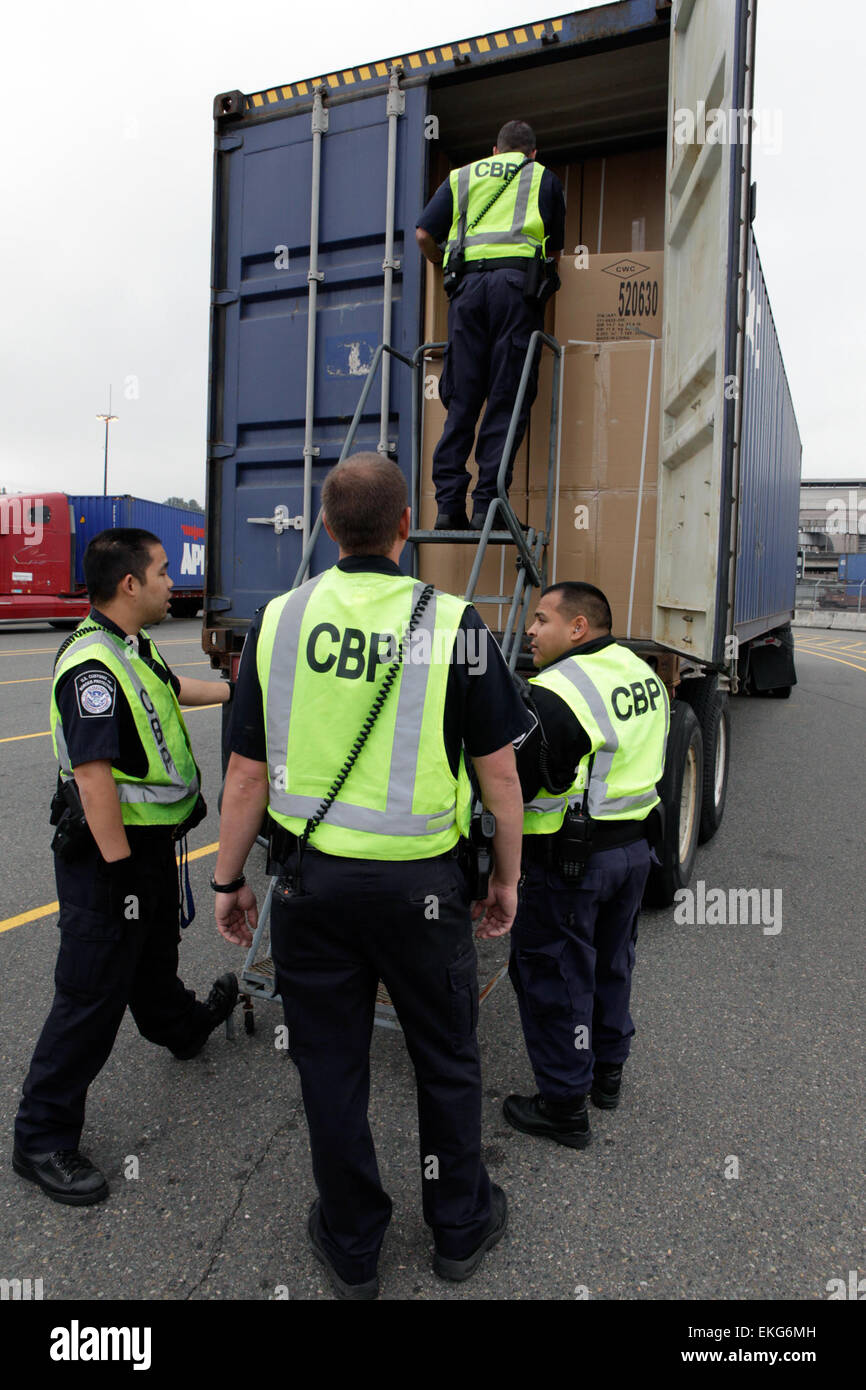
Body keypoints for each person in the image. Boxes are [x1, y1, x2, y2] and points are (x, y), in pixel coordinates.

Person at [214, 452, 529, 1299]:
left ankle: (353, 1245)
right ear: (403, 530)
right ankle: (458, 1230)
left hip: (311, 885)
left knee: (330, 1064)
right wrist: (506, 880)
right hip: (421, 889)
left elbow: (246, 774)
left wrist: (227, 882)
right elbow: (501, 775)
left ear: (324, 525)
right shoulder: (455, 622)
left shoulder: (279, 619)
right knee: (446, 1057)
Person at [12, 528, 238, 1206]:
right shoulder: (92, 669)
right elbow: (92, 777)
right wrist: (117, 873)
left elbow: (181, 691)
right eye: (165, 573)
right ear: (130, 584)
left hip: (146, 851)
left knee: (152, 956)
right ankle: (41, 1137)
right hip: (110, 861)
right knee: (90, 996)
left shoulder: (131, 650)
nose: (175, 584)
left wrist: (243, 690)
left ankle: (180, 1026)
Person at [504, 582, 669, 1148]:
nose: (530, 630)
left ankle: (564, 1106)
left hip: (568, 861)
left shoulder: (553, 692)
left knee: (555, 975)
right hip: (633, 853)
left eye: (541, 619)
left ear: (578, 628)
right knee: (611, 962)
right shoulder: (642, 673)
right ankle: (607, 1076)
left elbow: (514, 788)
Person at [416, 118, 565, 531]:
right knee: (506, 395)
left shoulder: (461, 177)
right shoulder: (543, 178)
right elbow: (553, 253)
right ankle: (488, 505)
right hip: (515, 292)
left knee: (462, 397)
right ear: (532, 153)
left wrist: (442, 263)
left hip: (465, 294)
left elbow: (424, 235)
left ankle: (448, 508)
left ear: (494, 151)